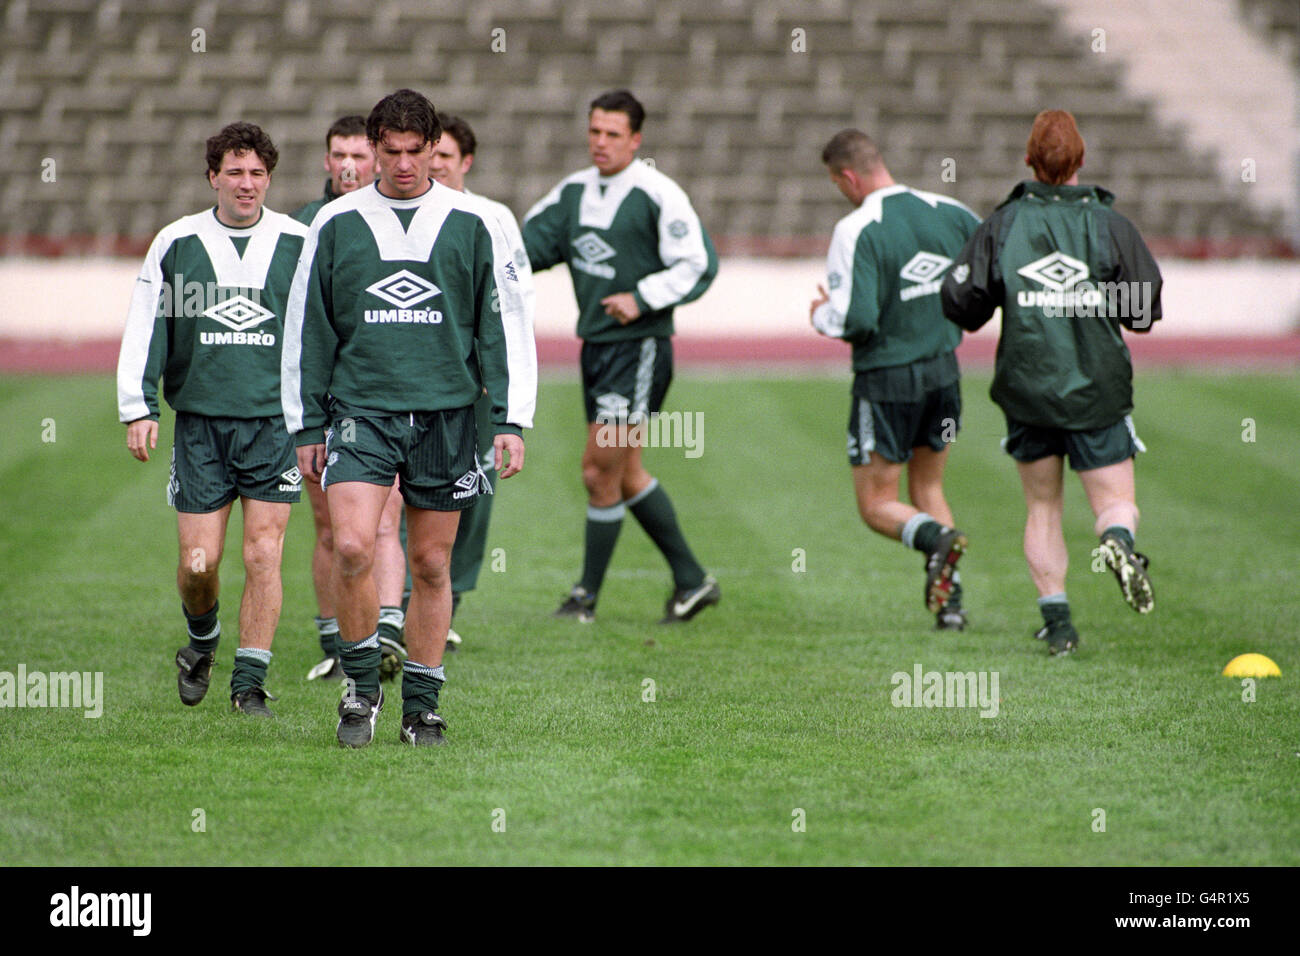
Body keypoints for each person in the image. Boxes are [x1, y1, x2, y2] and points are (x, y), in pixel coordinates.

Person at [283, 89, 535, 747]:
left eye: (412, 152)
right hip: (360, 410)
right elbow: (306, 328)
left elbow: (501, 325)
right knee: (353, 545)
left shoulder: (470, 222)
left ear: (432, 149)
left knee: (429, 564)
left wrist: (510, 418)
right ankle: (361, 691)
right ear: (373, 150)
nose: (399, 165)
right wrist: (306, 424)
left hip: (448, 416)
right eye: (387, 152)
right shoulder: (336, 224)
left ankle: (421, 704)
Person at [940, 109, 1161, 655]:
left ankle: (1058, 624)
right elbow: (1143, 310)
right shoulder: (1111, 226)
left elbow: (961, 303)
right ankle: (1117, 540)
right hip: (1098, 391)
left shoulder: (1005, 223)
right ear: (1081, 161)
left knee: (1043, 508)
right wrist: (1090, 295)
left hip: (1029, 389)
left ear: (1028, 162)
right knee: (1114, 501)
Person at [117, 121, 308, 717]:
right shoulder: (177, 242)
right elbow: (148, 322)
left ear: (269, 178)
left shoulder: (301, 243)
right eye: (234, 172)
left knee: (263, 554)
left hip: (276, 426)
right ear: (212, 177)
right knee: (199, 567)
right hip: (201, 426)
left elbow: (323, 333)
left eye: (256, 173)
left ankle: (248, 683)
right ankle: (201, 642)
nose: (245, 184)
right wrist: (139, 406)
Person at [523, 89, 720, 625]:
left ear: (636, 139)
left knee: (596, 468)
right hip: (597, 350)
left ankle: (585, 597)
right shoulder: (573, 193)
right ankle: (693, 581)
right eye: (594, 131)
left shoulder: (657, 193)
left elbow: (699, 263)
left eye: (613, 134)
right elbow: (522, 250)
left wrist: (643, 297)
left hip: (639, 351)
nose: (601, 143)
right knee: (626, 473)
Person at [809, 130, 980, 629]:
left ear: (848, 175)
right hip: (945, 373)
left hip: (887, 381)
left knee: (877, 503)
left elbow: (857, 319)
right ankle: (951, 608)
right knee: (929, 488)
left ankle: (936, 542)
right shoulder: (949, 210)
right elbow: (987, 274)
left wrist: (822, 315)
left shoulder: (857, 228)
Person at [291, 116, 407, 682]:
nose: (348, 166)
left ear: (376, 159)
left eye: (359, 156)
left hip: (379, 400)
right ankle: (337, 643)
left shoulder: (401, 220)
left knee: (385, 518)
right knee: (333, 531)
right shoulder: (304, 227)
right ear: (325, 159)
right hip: (324, 402)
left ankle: (385, 633)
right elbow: (297, 325)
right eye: (339, 154)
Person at [427, 113, 536, 649]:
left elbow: (518, 303)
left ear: (464, 162)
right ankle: (400, 605)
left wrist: (501, 374)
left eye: (446, 157)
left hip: (478, 389)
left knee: (475, 491)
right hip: (424, 384)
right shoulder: (405, 217)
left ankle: (450, 600)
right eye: (432, 154)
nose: (436, 165)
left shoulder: (492, 218)